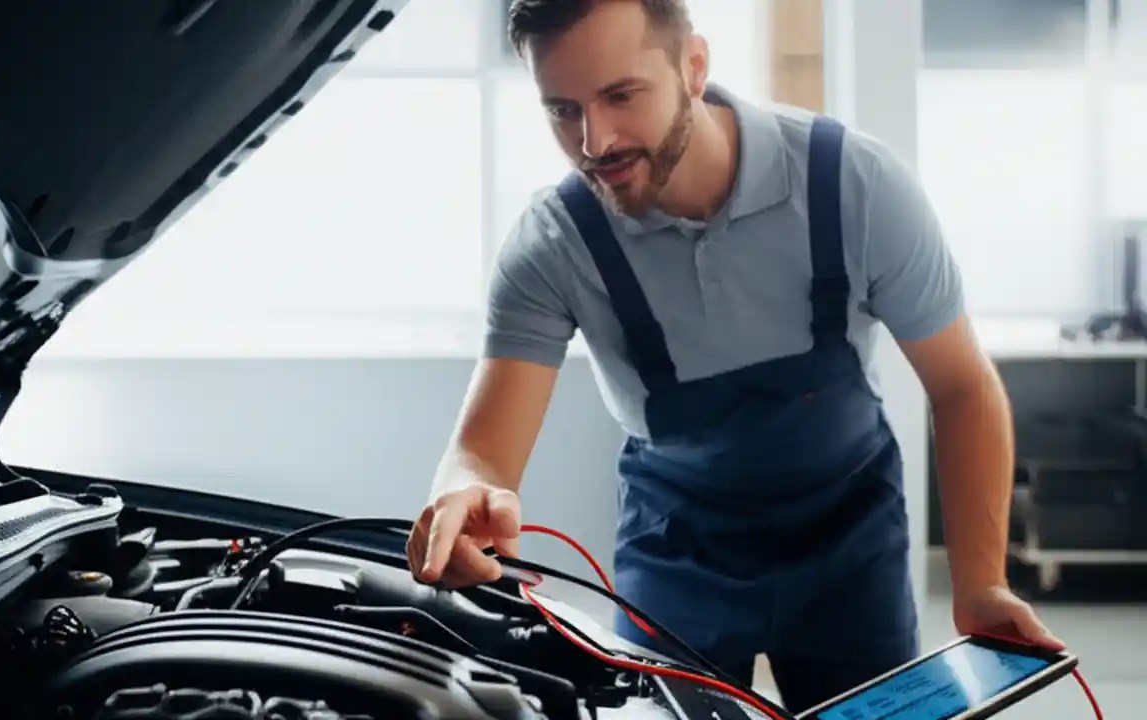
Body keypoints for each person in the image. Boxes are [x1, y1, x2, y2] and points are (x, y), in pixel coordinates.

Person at [405, 0, 1065, 712]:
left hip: (850, 547)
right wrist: (461, 491)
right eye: (563, 110)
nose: (594, 141)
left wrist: (980, 582)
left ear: (693, 66)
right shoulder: (553, 245)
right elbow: (482, 454)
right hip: (678, 550)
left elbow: (963, 385)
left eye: (621, 95)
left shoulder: (854, 185)